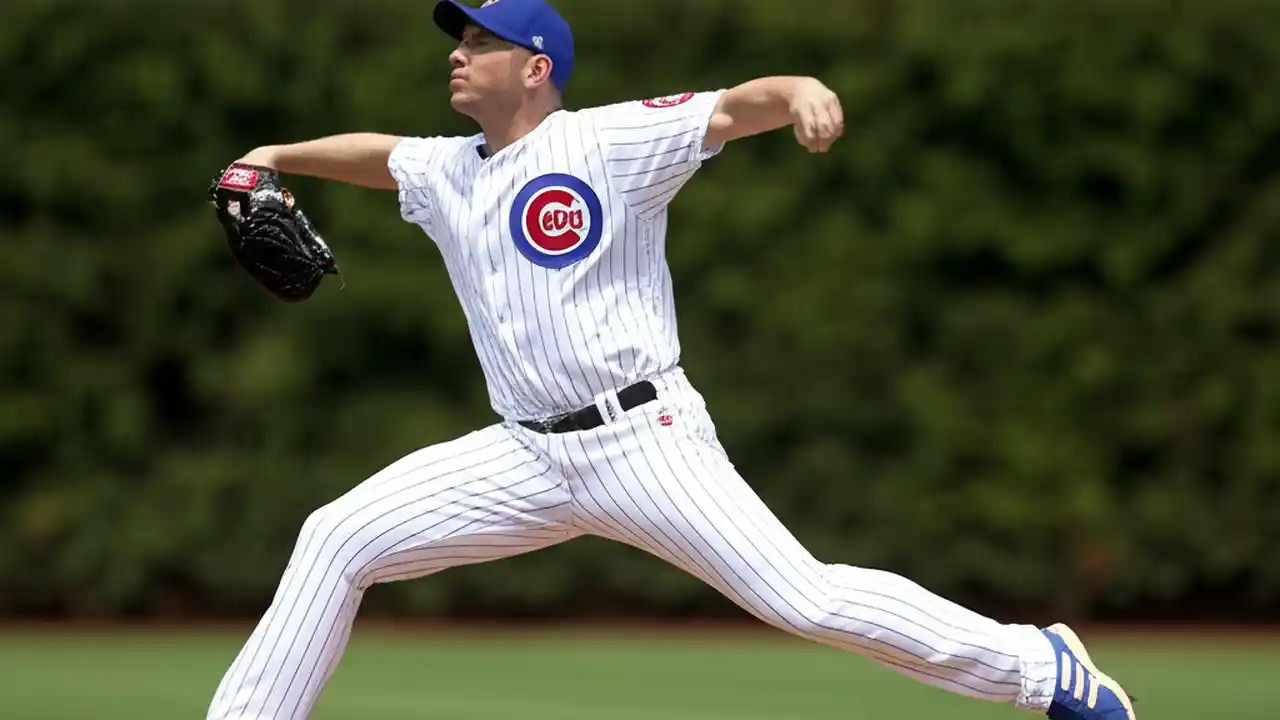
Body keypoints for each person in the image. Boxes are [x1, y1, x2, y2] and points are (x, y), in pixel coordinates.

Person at [206, 1, 1136, 718]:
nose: (457, 52)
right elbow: (379, 155)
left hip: (642, 440)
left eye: (481, 41)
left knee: (804, 600)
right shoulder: (450, 169)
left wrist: (801, 90)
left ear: (535, 69)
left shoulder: (607, 142)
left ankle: (1035, 665)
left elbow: (734, 107)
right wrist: (274, 153)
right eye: (458, 39)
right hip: (523, 456)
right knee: (337, 537)